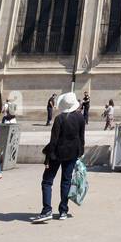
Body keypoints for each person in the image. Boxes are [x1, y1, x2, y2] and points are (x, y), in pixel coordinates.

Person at [34, 91, 86, 223]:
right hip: (72, 153)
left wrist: (47, 159)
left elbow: (54, 141)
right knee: (66, 181)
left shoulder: (59, 119)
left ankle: (47, 210)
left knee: (47, 181)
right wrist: (80, 153)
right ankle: (63, 210)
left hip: (56, 154)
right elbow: (81, 138)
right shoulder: (80, 118)